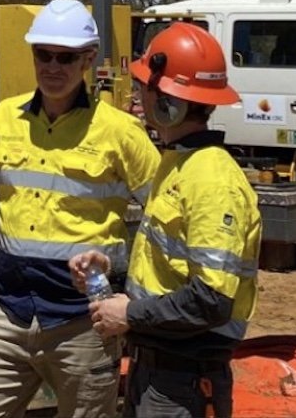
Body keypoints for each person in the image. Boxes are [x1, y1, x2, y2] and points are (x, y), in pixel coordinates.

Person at [0, 0, 161, 418]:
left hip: (83, 325)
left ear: (87, 59)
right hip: (8, 317)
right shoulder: (2, 120)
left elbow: (165, 221)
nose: (52, 66)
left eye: (65, 57)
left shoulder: (122, 134)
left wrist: (132, 302)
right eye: (43, 55)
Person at [68, 22, 262, 418]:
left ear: (170, 103)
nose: (137, 97)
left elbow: (212, 300)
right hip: (157, 370)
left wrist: (128, 313)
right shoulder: (177, 164)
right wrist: (113, 268)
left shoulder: (212, 180)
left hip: (183, 382)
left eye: (144, 88)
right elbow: (169, 265)